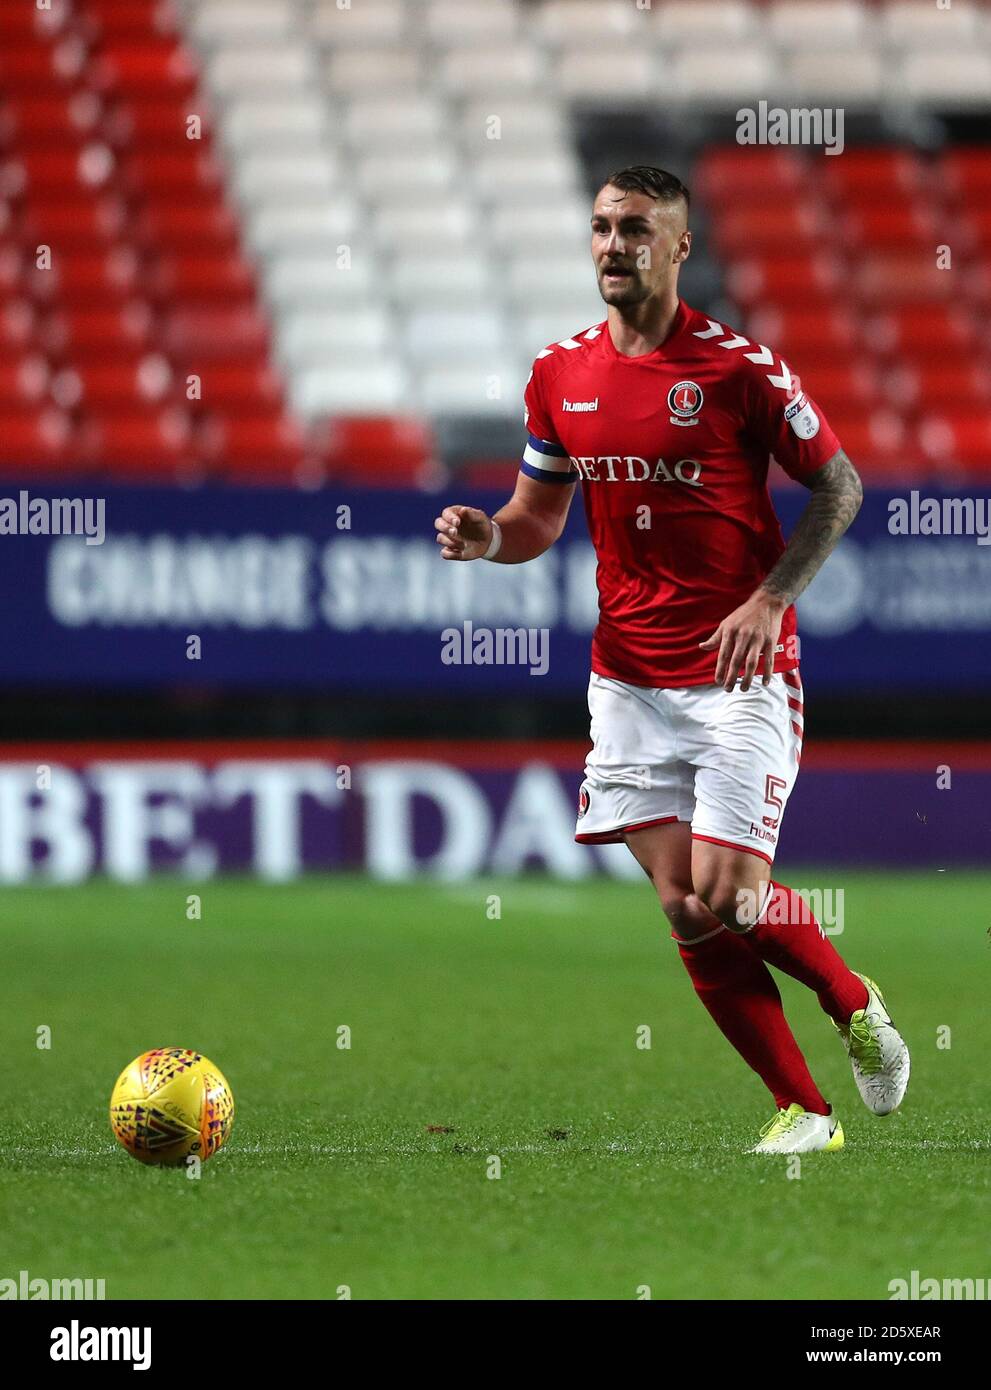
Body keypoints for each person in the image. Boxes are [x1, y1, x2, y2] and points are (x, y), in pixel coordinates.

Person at [433, 165, 908, 1153]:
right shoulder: (557, 375)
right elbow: (534, 518)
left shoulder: (738, 371)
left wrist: (770, 597)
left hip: (741, 675)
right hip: (628, 682)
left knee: (729, 890)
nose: (613, 245)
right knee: (687, 908)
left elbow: (841, 488)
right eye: (602, 227)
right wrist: (488, 538)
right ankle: (804, 1112)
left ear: (679, 247)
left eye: (636, 230)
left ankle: (853, 1002)